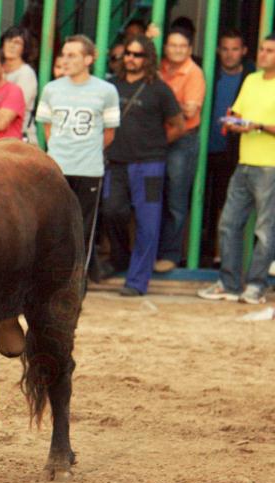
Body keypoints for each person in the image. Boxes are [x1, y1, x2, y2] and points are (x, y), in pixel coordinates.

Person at [101, 35, 184, 296]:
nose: (131, 59)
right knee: (111, 211)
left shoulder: (159, 89)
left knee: (148, 223)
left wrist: (156, 145)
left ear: (148, 59)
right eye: (128, 53)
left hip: (149, 166)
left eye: (137, 55)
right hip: (115, 164)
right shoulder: (110, 87)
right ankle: (121, 259)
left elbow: (179, 125)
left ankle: (136, 282)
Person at [198, 34, 275, 305]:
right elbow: (240, 114)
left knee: (266, 230)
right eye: (262, 49)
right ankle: (229, 284)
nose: (263, 54)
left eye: (269, 50)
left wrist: (258, 126)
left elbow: (258, 123)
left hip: (271, 166)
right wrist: (234, 122)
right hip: (244, 162)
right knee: (229, 224)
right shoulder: (252, 80)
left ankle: (256, 286)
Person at [37, 35, 120, 283]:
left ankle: (77, 286)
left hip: (88, 169)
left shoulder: (106, 91)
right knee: (54, 227)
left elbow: (109, 134)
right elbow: (48, 127)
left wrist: (86, 150)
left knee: (83, 230)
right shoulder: (52, 89)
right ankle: (51, 283)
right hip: (57, 168)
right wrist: (61, 150)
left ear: (88, 59)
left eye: (72, 55)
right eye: (64, 54)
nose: (66, 60)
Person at [201, 29, 255, 265]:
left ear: (243, 51)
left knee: (227, 205)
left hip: (236, 152)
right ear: (217, 51)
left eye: (235, 49)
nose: (230, 54)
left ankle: (221, 255)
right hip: (205, 149)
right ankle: (194, 253)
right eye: (225, 48)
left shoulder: (252, 78)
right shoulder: (209, 74)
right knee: (201, 203)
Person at [154, 28, 206, 273]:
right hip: (156, 139)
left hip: (182, 141)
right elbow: (181, 107)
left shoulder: (194, 73)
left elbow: (190, 113)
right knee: (152, 197)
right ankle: (149, 253)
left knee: (175, 199)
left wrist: (163, 104)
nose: (176, 50)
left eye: (182, 46)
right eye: (172, 45)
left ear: (189, 49)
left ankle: (170, 254)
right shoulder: (159, 68)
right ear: (165, 48)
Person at [1, 26, 37, 144]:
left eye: (17, 42)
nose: (11, 45)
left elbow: (16, 107)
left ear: (25, 48)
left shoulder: (26, 73)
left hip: (20, 137)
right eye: (8, 40)